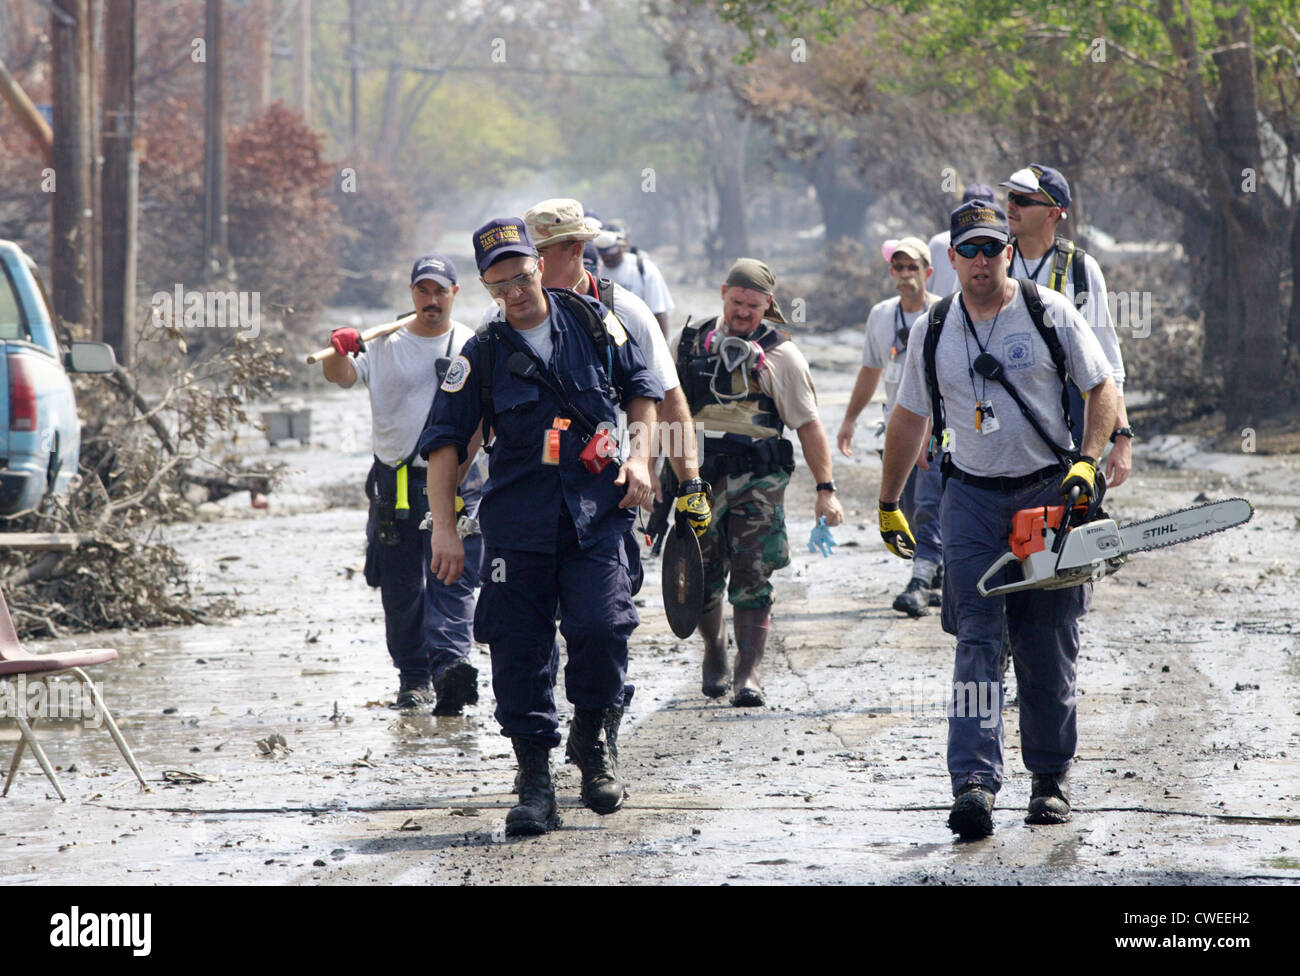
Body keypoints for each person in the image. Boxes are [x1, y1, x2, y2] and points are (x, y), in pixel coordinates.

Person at [878, 200, 1117, 839]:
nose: (981, 261)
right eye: (969, 250)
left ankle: (1048, 779)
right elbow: (910, 417)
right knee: (977, 644)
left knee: (1045, 643)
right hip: (973, 503)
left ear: (1008, 252)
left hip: (1046, 494)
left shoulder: (1048, 313)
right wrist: (887, 501)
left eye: (992, 248)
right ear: (950, 259)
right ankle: (975, 784)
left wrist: (1089, 462)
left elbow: (1103, 388)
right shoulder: (932, 329)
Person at [421, 218, 663, 837]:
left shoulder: (592, 322)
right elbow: (446, 444)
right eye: (500, 286)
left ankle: (592, 740)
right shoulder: (482, 352)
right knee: (519, 652)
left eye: (522, 277)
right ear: (485, 286)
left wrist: (639, 458)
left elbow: (643, 392)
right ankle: (534, 780)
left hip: (595, 516)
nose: (516, 293)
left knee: (603, 627)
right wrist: (445, 528)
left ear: (538, 264)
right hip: (518, 527)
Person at [677, 258, 844, 706]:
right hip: (700, 479)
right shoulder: (689, 344)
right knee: (701, 573)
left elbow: (809, 425)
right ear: (723, 294)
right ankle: (714, 648)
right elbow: (661, 410)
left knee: (753, 572)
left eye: (754, 306)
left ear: (768, 305)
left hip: (759, 479)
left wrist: (825, 489)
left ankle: (747, 673)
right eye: (737, 302)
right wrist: (654, 471)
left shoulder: (782, 356)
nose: (744, 313)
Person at [321, 253, 482, 714]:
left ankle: (451, 668)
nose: (431, 300)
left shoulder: (471, 344)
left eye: (440, 291)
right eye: (423, 291)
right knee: (400, 588)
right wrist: (338, 349)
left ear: (455, 293)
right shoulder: (384, 343)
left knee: (453, 578)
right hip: (396, 484)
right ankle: (413, 679)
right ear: (412, 293)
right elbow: (342, 377)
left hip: (458, 478)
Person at [1000, 163, 1134, 487]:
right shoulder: (993, 260)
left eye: (1023, 200)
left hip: (1067, 430)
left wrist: (1122, 437)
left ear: (1053, 213)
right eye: (1010, 196)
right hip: (1002, 430)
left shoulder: (1081, 270)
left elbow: (1107, 363)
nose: (1011, 205)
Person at [836, 236, 943, 617]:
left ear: (928, 272)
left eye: (912, 267)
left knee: (930, 505)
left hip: (939, 430)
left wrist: (935, 421)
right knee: (908, 506)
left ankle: (919, 582)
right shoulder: (881, 315)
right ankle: (936, 573)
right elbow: (871, 370)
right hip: (898, 427)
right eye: (898, 267)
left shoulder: (944, 314)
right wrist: (849, 420)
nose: (905, 274)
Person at [595, 220, 675, 336]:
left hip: (639, 339)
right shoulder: (596, 271)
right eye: (603, 253)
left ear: (625, 244)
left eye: (612, 252)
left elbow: (659, 312)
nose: (607, 257)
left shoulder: (644, 269)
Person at [928, 184, 996, 296]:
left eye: (989, 248)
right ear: (952, 256)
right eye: (967, 250)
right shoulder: (938, 244)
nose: (980, 262)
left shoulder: (1002, 243)